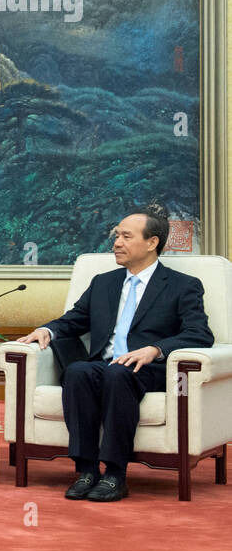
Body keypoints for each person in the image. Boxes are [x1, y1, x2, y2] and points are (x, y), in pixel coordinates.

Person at [14, 205, 213, 502]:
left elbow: (200, 334)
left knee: (119, 373)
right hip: (104, 365)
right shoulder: (103, 282)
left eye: (126, 236)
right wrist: (48, 330)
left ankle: (115, 474)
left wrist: (155, 349)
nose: (116, 243)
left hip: (148, 369)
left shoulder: (182, 286)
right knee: (78, 371)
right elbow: (73, 320)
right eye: (116, 235)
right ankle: (87, 470)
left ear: (152, 242)